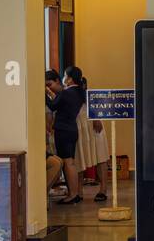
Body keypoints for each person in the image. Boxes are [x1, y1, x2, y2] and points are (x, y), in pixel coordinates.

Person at [46, 66, 87, 204]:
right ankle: (74, 193)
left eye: (65, 75)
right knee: (71, 162)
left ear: (69, 79)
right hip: (72, 129)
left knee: (67, 163)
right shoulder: (78, 92)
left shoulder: (66, 92)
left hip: (63, 130)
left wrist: (44, 92)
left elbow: (52, 105)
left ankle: (72, 194)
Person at [74, 74, 113, 202]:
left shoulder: (90, 96)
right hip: (79, 130)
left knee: (101, 157)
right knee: (79, 158)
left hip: (95, 128)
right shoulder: (70, 94)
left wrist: (96, 118)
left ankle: (103, 189)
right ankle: (78, 191)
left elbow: (97, 110)